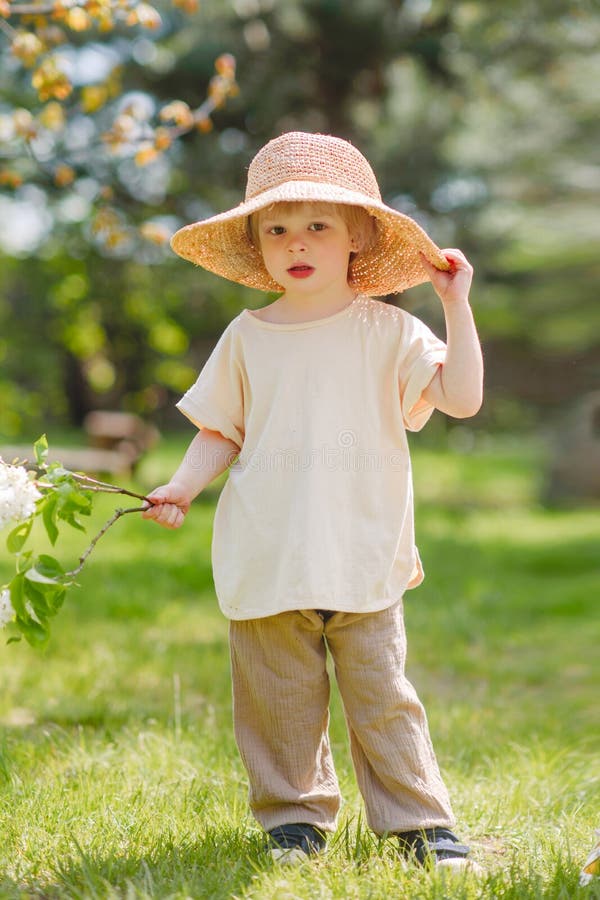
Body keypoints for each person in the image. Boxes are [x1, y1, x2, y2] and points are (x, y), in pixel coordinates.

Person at [142, 132, 484, 869]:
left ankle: (420, 824)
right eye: (276, 229)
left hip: (362, 548)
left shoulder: (390, 331)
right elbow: (219, 430)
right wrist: (181, 486)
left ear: (358, 235)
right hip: (268, 548)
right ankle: (293, 820)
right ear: (257, 245)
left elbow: (461, 398)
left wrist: (455, 307)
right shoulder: (247, 337)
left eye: (317, 225)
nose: (296, 242)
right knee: (278, 700)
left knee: (383, 695)